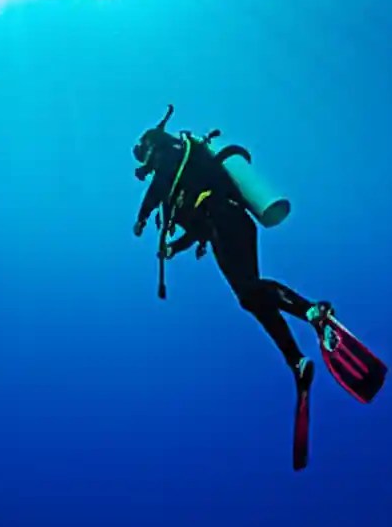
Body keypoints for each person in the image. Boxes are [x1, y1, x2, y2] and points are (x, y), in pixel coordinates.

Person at [130, 105, 335, 394]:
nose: (145, 165)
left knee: (249, 291)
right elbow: (197, 228)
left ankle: (313, 311)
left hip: (223, 217)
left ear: (152, 146)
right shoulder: (184, 178)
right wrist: (175, 248)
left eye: (144, 155)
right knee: (250, 296)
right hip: (227, 222)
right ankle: (296, 360)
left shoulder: (171, 157)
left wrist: (142, 216)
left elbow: (160, 184)